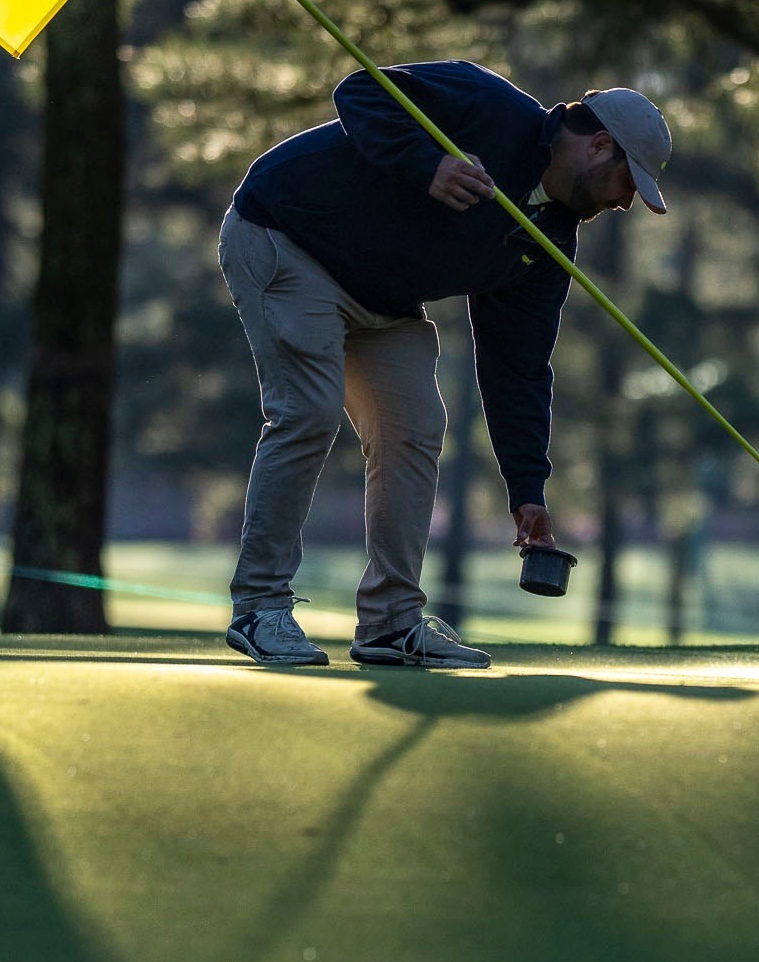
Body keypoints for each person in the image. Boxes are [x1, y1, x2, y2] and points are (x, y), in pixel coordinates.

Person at [219, 60, 673, 668]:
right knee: (309, 409)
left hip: (381, 295)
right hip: (285, 233)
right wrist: (427, 163)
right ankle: (260, 607)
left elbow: (517, 365)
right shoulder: (492, 107)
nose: (624, 203)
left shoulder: (548, 241)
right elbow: (358, 93)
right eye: (628, 182)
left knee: (415, 429)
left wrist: (527, 489)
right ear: (599, 146)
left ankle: (389, 623)